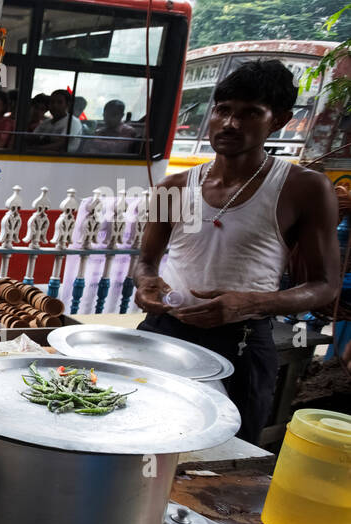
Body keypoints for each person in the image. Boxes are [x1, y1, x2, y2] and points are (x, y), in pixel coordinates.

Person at [133, 61, 340, 444]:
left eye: (249, 113)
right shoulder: (172, 186)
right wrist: (146, 284)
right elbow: (147, 260)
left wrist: (249, 304)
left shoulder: (304, 189)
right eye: (223, 110)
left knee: (225, 457)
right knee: (140, 437)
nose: (230, 123)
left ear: (277, 120)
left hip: (241, 341)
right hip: (164, 334)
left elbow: (325, 285)